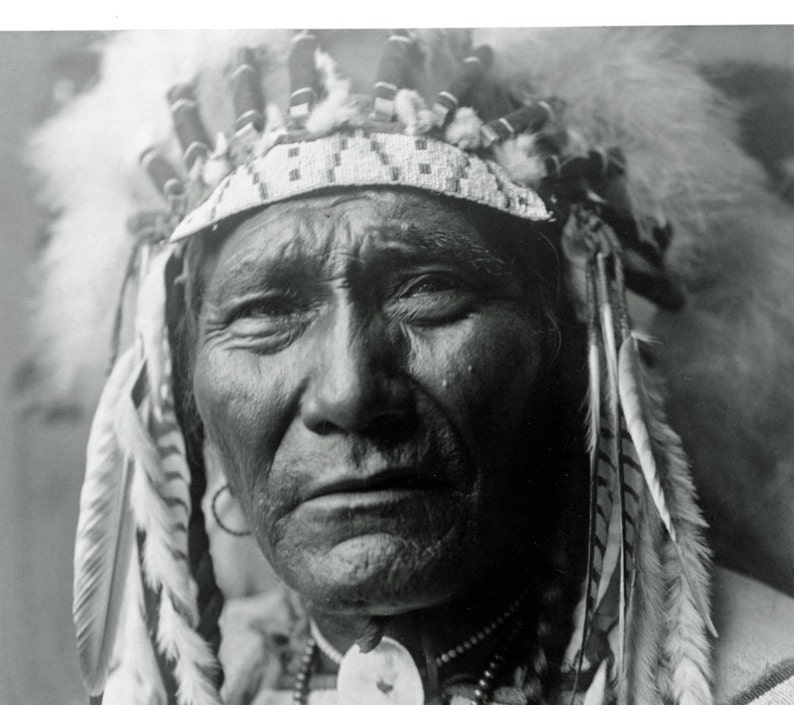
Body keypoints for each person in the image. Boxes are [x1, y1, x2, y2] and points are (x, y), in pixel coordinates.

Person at [28, 29, 794, 705]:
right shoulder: (185, 682)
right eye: (265, 312)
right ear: (187, 385)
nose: (349, 391)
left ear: (573, 343)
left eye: (428, 292)